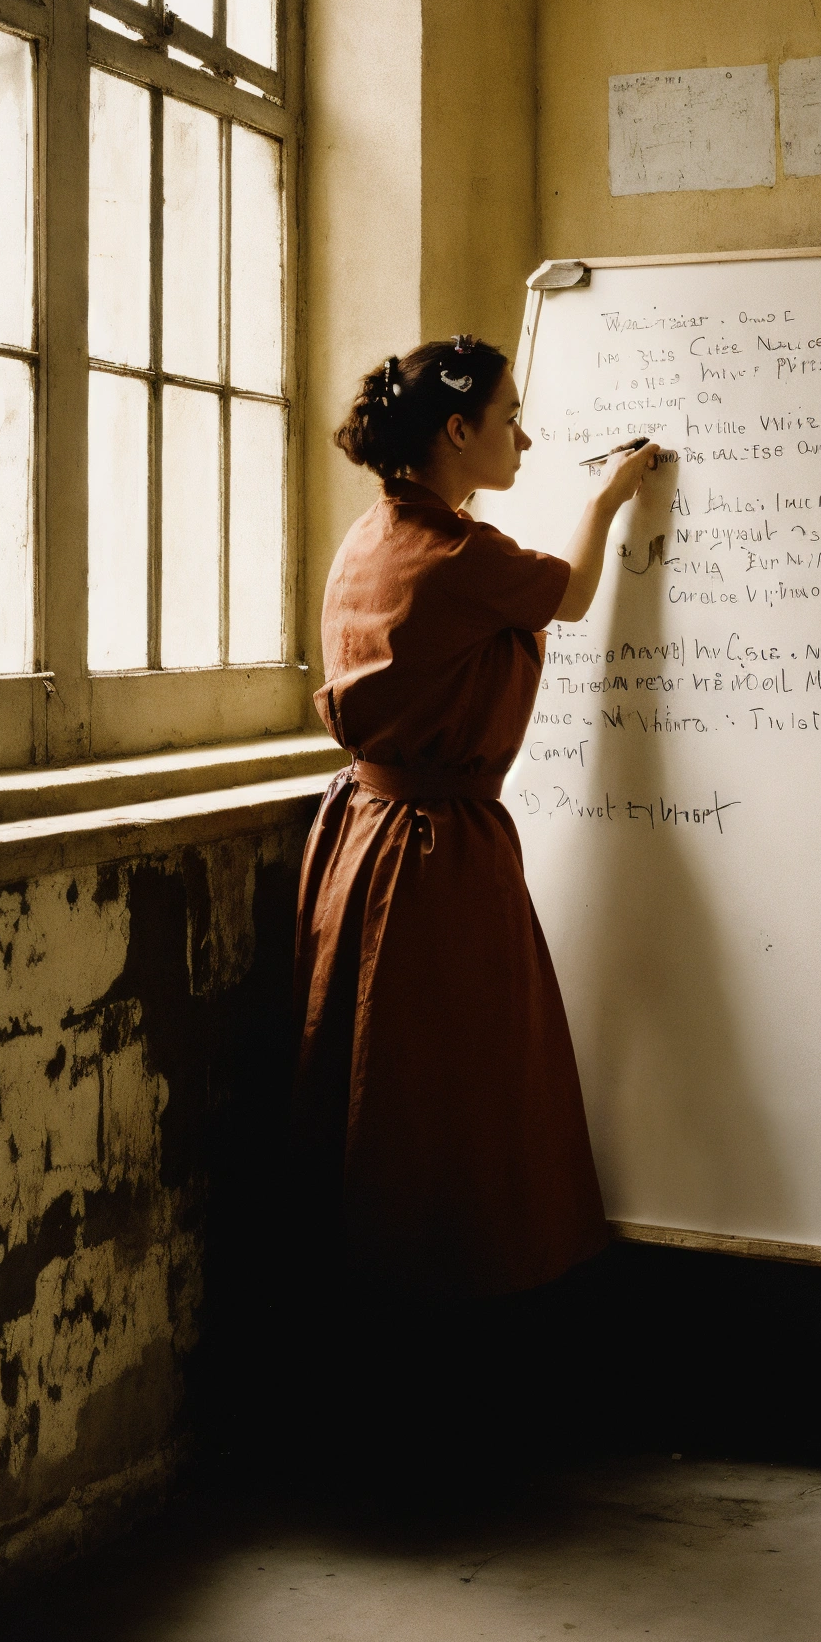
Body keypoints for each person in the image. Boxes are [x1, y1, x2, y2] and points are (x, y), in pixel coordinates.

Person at [292, 333, 656, 1306]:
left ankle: (396, 1332)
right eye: (507, 420)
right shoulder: (459, 551)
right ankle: (455, 1344)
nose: (526, 439)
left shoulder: (373, 532)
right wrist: (606, 498)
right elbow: (572, 596)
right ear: (457, 429)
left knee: (388, 1099)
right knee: (456, 1102)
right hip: (432, 856)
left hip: (362, 840)